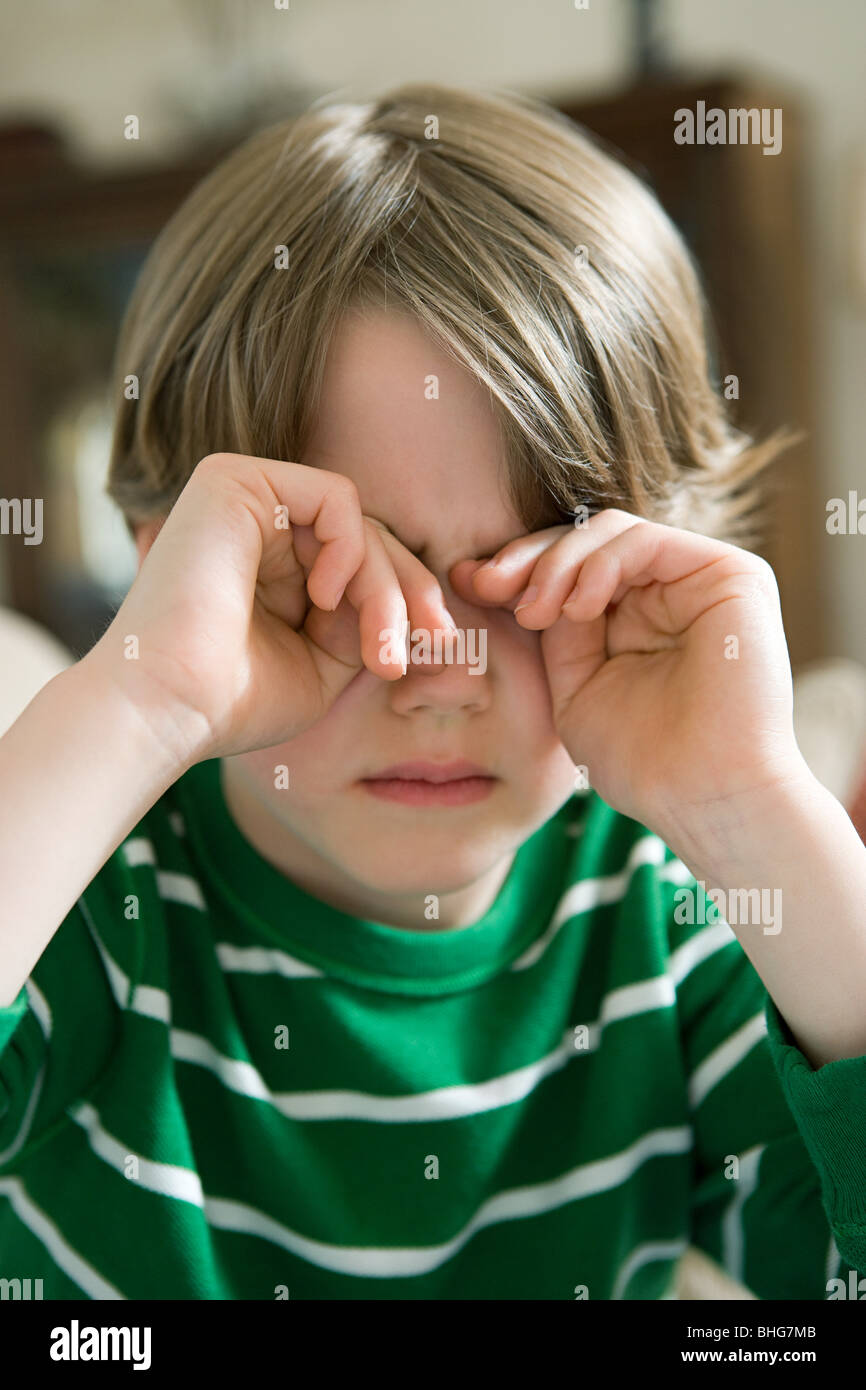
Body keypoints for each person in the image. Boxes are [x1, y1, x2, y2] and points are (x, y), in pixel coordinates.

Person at [1, 83, 864, 1301]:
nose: (439, 676)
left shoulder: (662, 926)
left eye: (537, 572)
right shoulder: (93, 914)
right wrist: (136, 707)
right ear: (170, 573)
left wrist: (752, 806)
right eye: (342, 571)